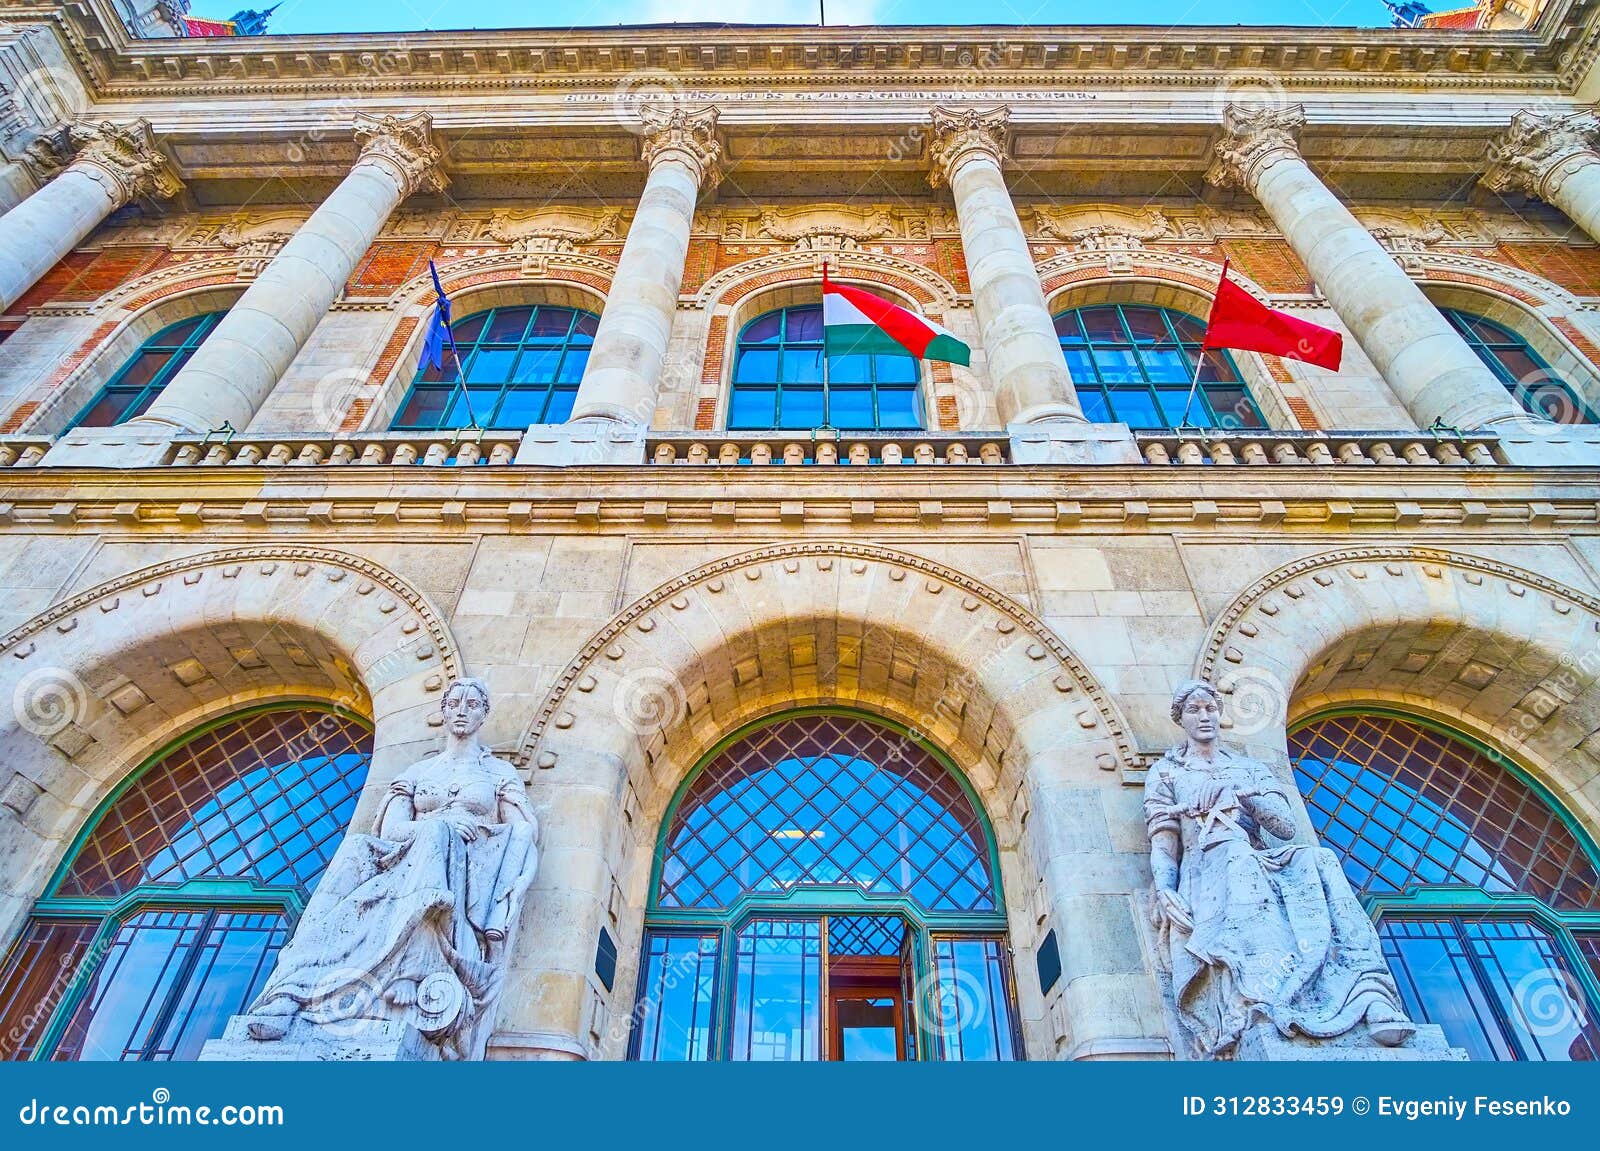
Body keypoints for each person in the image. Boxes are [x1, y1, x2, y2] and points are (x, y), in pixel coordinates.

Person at [245, 678, 538, 1060]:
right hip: (406, 856)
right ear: (444, 712)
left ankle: (410, 972)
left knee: (438, 836)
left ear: (484, 713)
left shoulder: (498, 773)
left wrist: (504, 887)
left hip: (465, 870)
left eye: (472, 704)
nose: (462, 710)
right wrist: (434, 827)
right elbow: (391, 829)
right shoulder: (420, 771)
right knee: (355, 847)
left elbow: (523, 830)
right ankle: (292, 981)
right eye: (454, 703)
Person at [1145, 680, 1414, 1058]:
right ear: (1181, 718)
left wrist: (1245, 793)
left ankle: (1370, 994)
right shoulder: (1166, 773)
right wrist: (1165, 889)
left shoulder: (1248, 768)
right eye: (1194, 710)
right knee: (1235, 855)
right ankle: (1266, 999)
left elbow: (1285, 829)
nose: (1204, 716)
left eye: (1210, 708)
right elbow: (1163, 842)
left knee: (1320, 859)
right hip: (1206, 866)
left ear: (1220, 713)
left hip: (1257, 857)